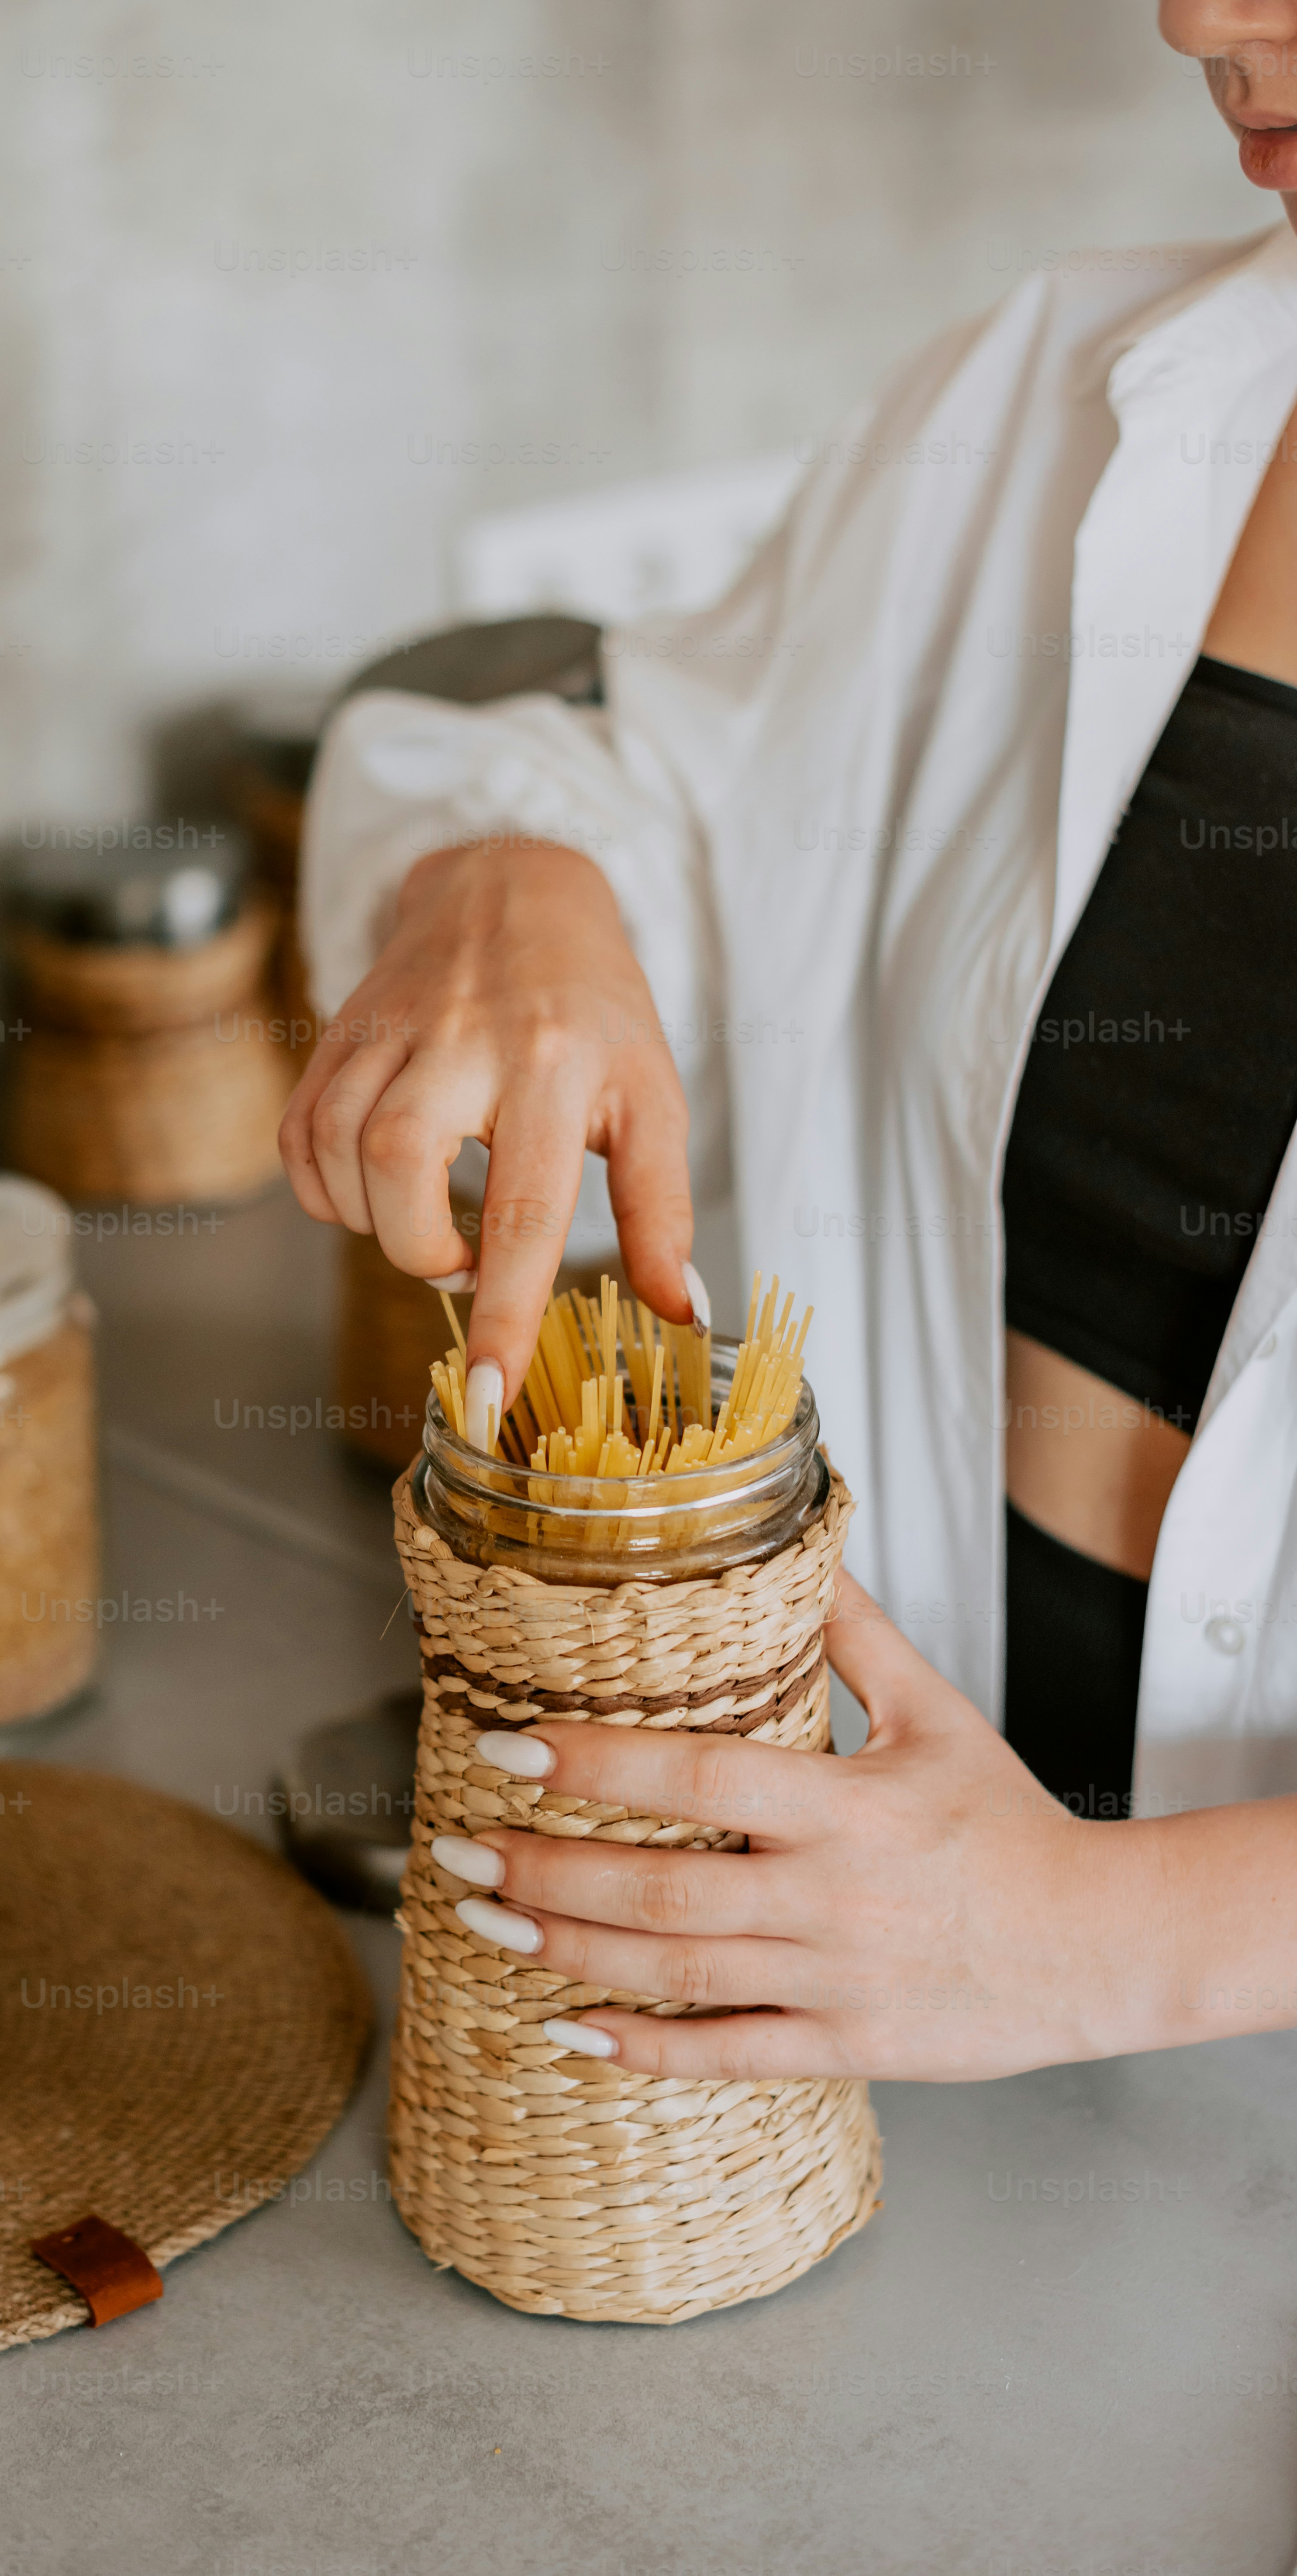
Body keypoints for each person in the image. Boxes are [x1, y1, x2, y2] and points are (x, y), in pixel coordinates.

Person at [280, 5, 1297, 2084]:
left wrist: (1119, 1938)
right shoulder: (1044, 410)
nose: (1193, 16)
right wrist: (511, 870)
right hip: (880, 2067)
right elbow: (655, 797)